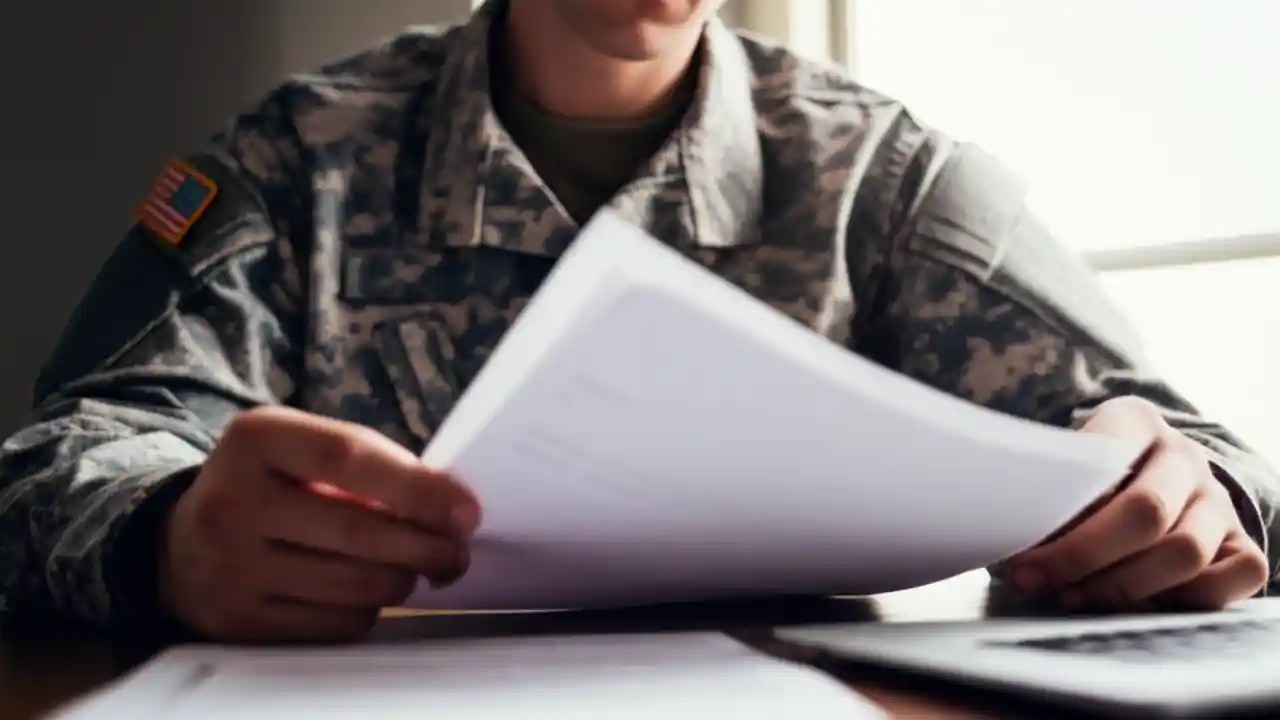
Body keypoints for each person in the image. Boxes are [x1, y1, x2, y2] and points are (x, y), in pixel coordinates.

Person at [0, 0, 1275, 642]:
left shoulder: (888, 186)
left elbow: (1181, 454)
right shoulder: (295, 162)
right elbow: (70, 454)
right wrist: (159, 537)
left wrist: (1190, 496)